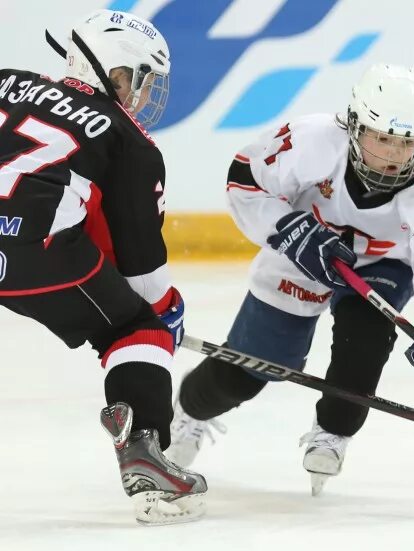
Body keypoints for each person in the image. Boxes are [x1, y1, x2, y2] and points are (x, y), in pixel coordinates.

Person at [166, 63, 414, 495]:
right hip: (304, 250)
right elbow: (249, 180)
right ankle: (191, 408)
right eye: (382, 138)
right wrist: (290, 229)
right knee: (254, 366)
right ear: (354, 126)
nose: (393, 155)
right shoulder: (313, 141)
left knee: (365, 342)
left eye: (406, 143)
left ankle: (334, 431)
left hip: (383, 267)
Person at [0, 9, 206, 524]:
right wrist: (165, 312)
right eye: (139, 79)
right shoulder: (130, 141)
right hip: (35, 254)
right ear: (114, 71)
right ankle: (145, 457)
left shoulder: (6, 81)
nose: (142, 94)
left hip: (32, 239)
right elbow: (140, 264)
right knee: (137, 329)